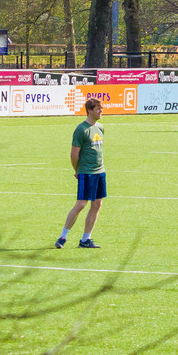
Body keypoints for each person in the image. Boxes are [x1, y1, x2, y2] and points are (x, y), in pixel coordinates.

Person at [59, 98, 106, 249]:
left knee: (97, 204)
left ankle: (86, 239)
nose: (101, 111)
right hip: (87, 172)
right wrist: (77, 170)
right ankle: (63, 236)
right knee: (81, 204)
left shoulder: (100, 128)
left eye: (101, 109)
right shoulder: (81, 130)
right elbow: (74, 154)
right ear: (90, 110)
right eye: (98, 109)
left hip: (100, 172)